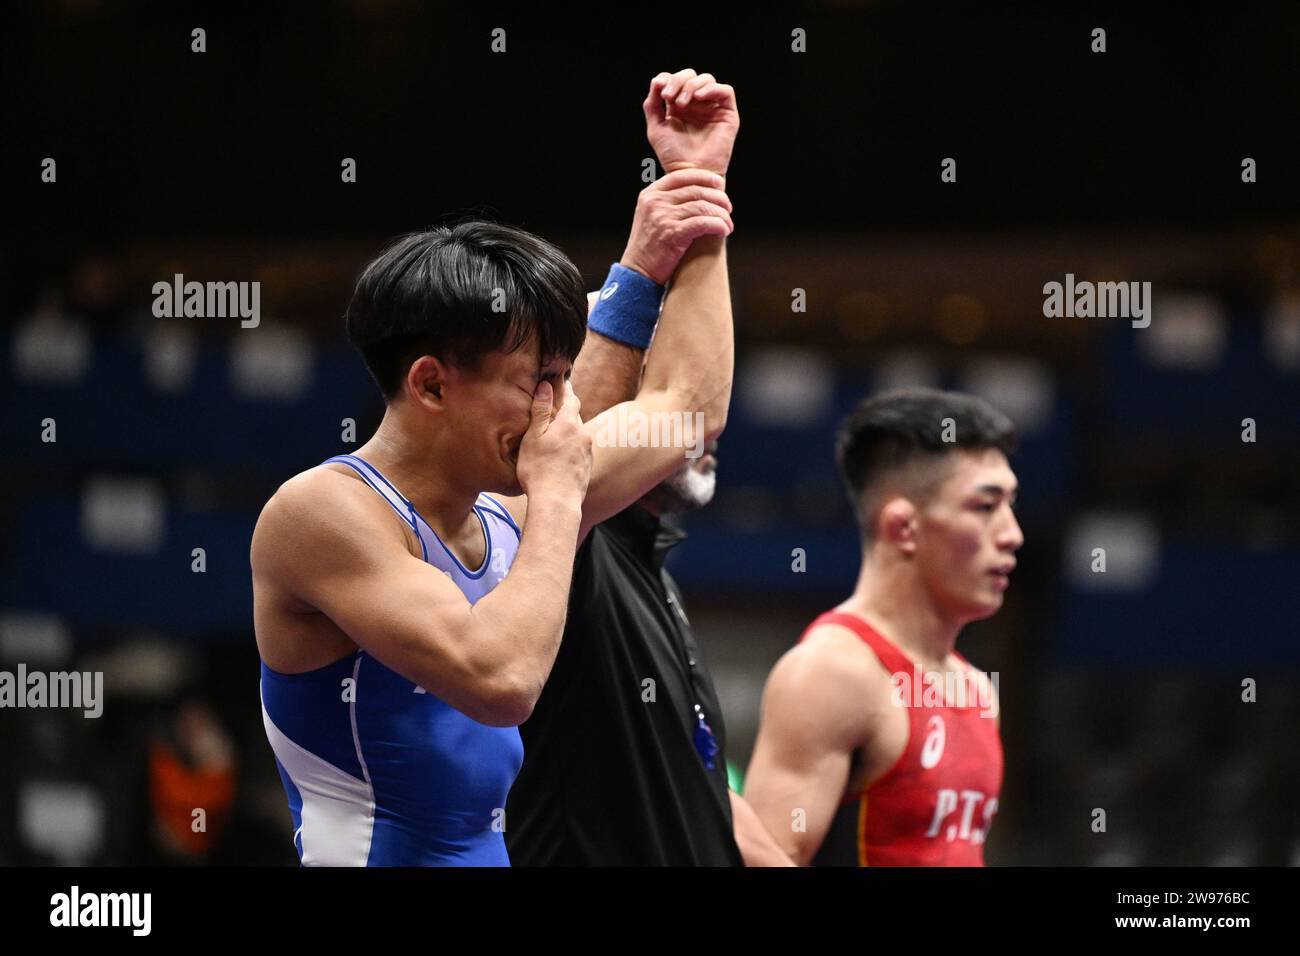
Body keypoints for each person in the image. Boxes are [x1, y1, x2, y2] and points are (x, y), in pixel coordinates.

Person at [250, 69, 735, 865]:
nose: (557, 412)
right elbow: (500, 678)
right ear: (432, 383)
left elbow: (687, 412)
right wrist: (560, 498)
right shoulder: (321, 513)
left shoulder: (506, 513)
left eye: (559, 379)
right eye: (534, 384)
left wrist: (696, 196)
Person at [505, 69, 791, 866]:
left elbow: (701, 794)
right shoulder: (558, 536)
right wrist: (696, 188)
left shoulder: (644, 562)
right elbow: (686, 407)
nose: (696, 447)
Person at [743, 388, 1021, 866]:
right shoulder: (831, 674)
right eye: (984, 506)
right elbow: (761, 858)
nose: (1012, 534)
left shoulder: (977, 690)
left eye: (1010, 505)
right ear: (902, 528)